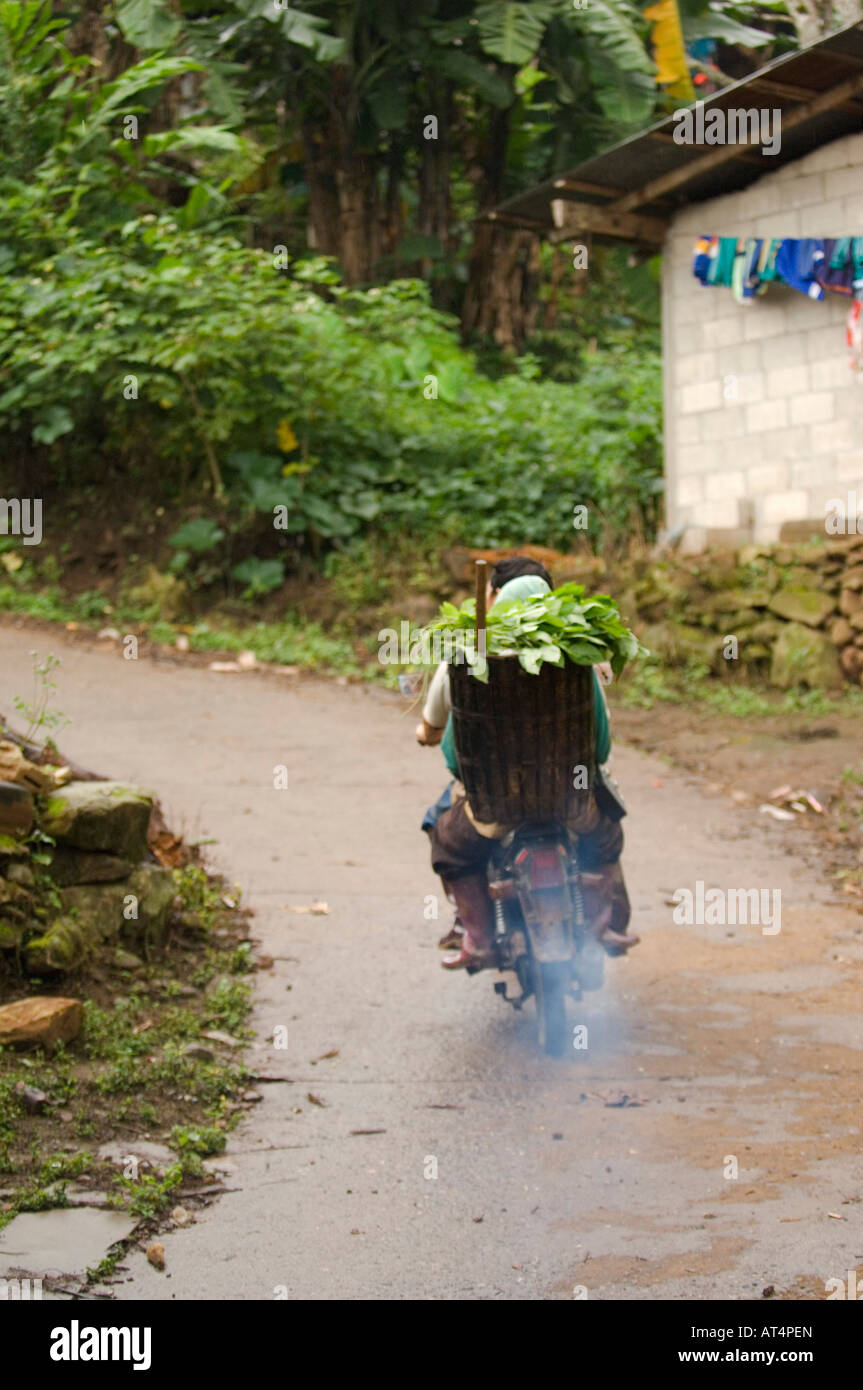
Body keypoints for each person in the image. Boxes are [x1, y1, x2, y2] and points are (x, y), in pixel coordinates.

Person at [417, 556, 639, 969]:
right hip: (571, 806)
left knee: (447, 842)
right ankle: (601, 925)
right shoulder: (578, 660)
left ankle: (478, 939)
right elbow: (601, 747)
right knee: (606, 838)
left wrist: (427, 735)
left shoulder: (465, 657)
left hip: (491, 810)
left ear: (494, 598)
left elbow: (447, 747)